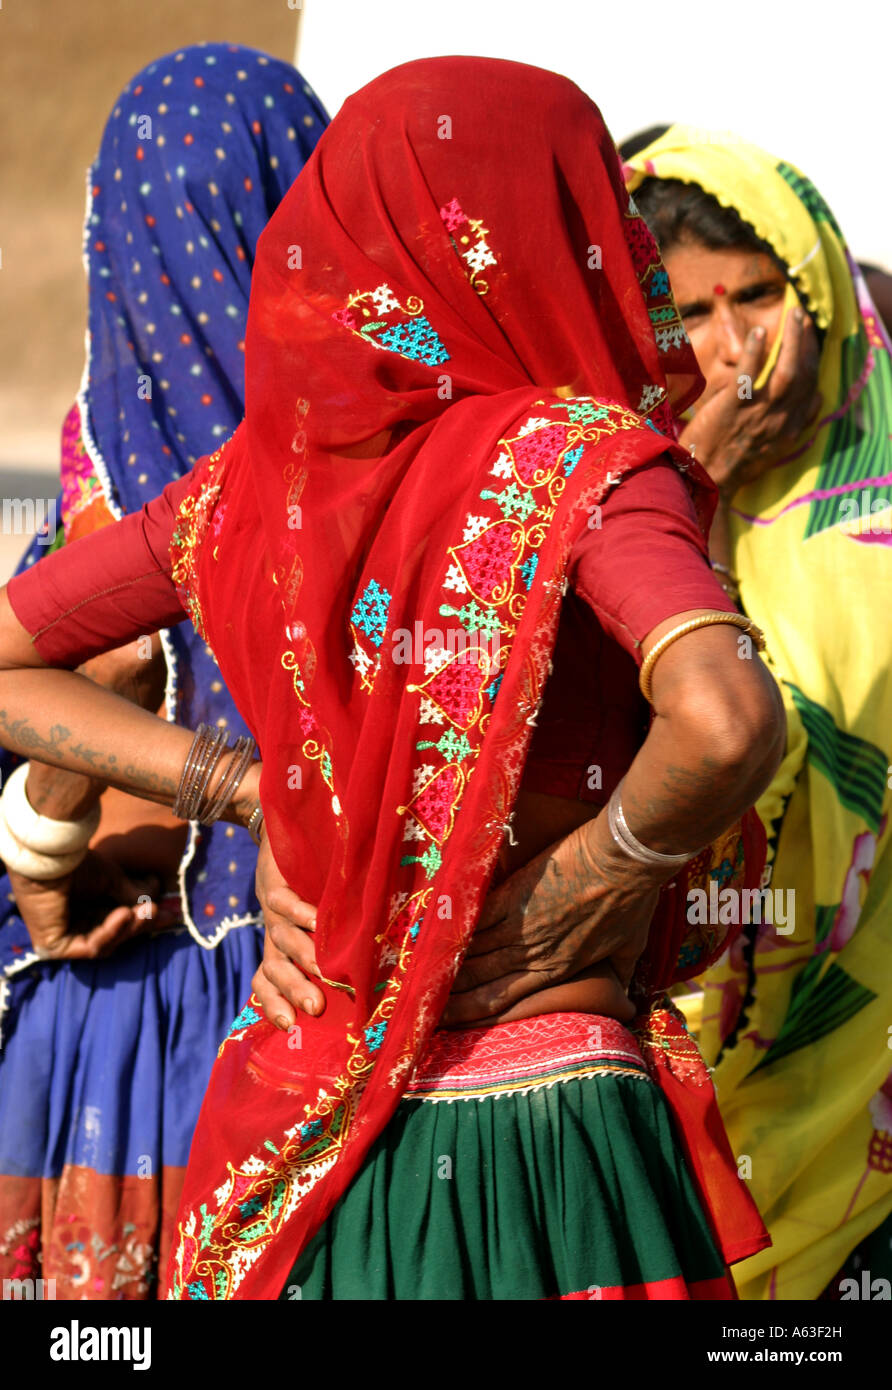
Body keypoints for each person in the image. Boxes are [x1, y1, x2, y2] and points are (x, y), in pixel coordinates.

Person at [0, 59, 786, 1301]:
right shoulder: (585, 466)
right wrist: (591, 880)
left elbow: (12, 656)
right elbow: (726, 718)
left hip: (302, 1149)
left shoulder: (242, 500)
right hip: (545, 1155)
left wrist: (242, 787)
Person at [0, 42, 328, 1299]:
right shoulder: (414, 468)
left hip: (112, 1034)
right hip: (319, 1004)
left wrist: (46, 838)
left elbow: (92, 715)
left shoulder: (103, 485)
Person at [623, 126, 892, 1300]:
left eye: (762, 298)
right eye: (688, 314)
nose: (736, 353)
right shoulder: (595, 519)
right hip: (659, 1092)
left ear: (822, 293)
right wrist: (681, 490)